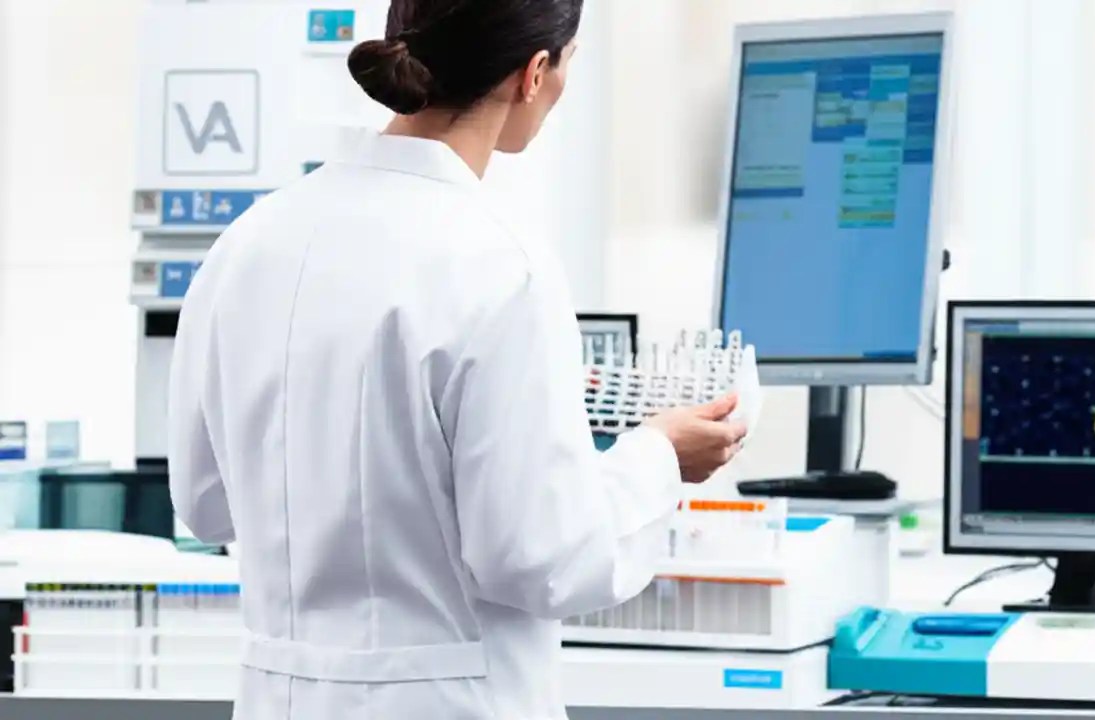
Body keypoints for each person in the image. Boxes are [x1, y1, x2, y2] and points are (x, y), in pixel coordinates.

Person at [166, 0, 748, 718]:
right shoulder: (501, 263)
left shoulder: (247, 243)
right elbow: (540, 558)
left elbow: (204, 506)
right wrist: (658, 456)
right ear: (534, 74)